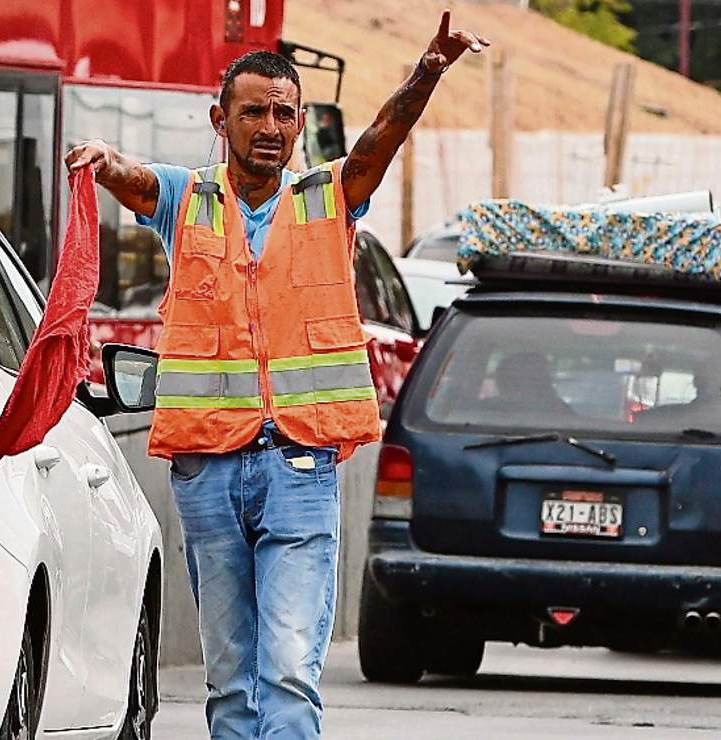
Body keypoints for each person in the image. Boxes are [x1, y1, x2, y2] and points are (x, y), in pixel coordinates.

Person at [65, 11, 488, 739]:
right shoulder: (187, 199)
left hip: (299, 470)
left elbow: (381, 138)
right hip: (209, 475)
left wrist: (428, 71)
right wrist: (103, 161)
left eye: (284, 114)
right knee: (231, 680)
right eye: (253, 112)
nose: (270, 126)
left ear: (299, 125)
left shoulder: (328, 196)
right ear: (219, 120)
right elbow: (133, 180)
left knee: (289, 671)